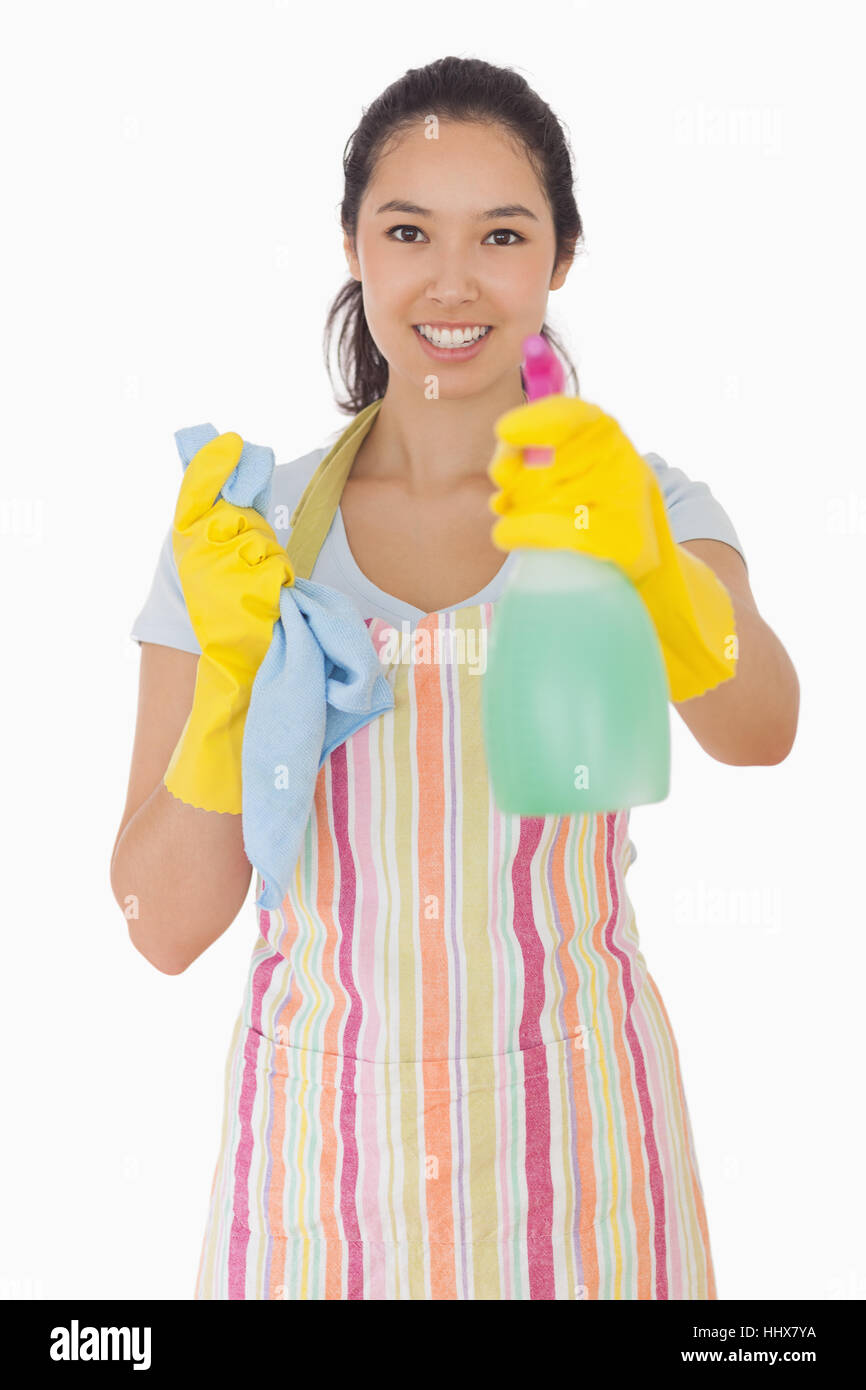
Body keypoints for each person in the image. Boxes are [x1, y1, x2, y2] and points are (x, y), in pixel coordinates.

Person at [110, 55, 799, 1300]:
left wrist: (653, 570)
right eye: (407, 229)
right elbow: (162, 926)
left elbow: (763, 726)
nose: (451, 278)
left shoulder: (641, 506)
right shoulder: (245, 539)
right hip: (322, 1186)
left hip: (586, 1168)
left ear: (559, 257)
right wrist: (230, 672)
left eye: (502, 233)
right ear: (352, 246)